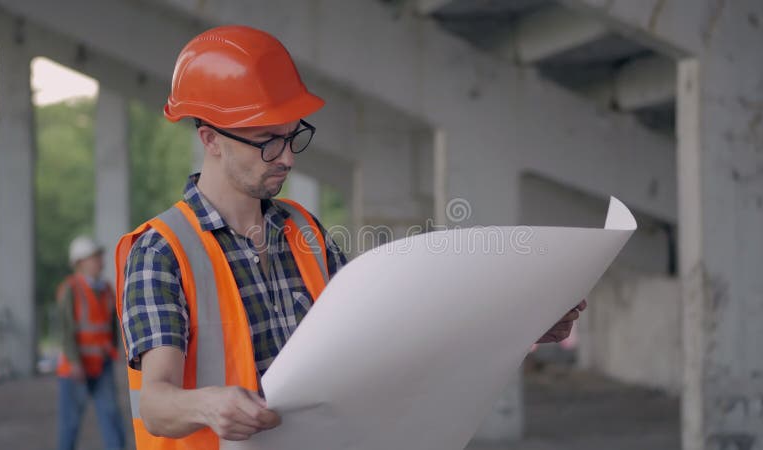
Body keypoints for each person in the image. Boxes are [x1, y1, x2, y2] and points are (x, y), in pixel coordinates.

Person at [116, 25, 585, 449]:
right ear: (210, 138)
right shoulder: (161, 252)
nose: (287, 158)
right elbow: (156, 404)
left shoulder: (304, 232)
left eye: (292, 135)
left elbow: (390, 330)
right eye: (266, 141)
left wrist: (521, 326)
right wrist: (207, 406)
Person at [57, 236, 125, 450]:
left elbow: (112, 322)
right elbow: (66, 330)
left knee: (111, 417)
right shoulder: (70, 289)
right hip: (76, 368)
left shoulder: (105, 288)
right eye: (94, 257)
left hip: (101, 364)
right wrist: (75, 362)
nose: (100, 261)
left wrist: (115, 348)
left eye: (99, 256)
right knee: (70, 424)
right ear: (79, 263)